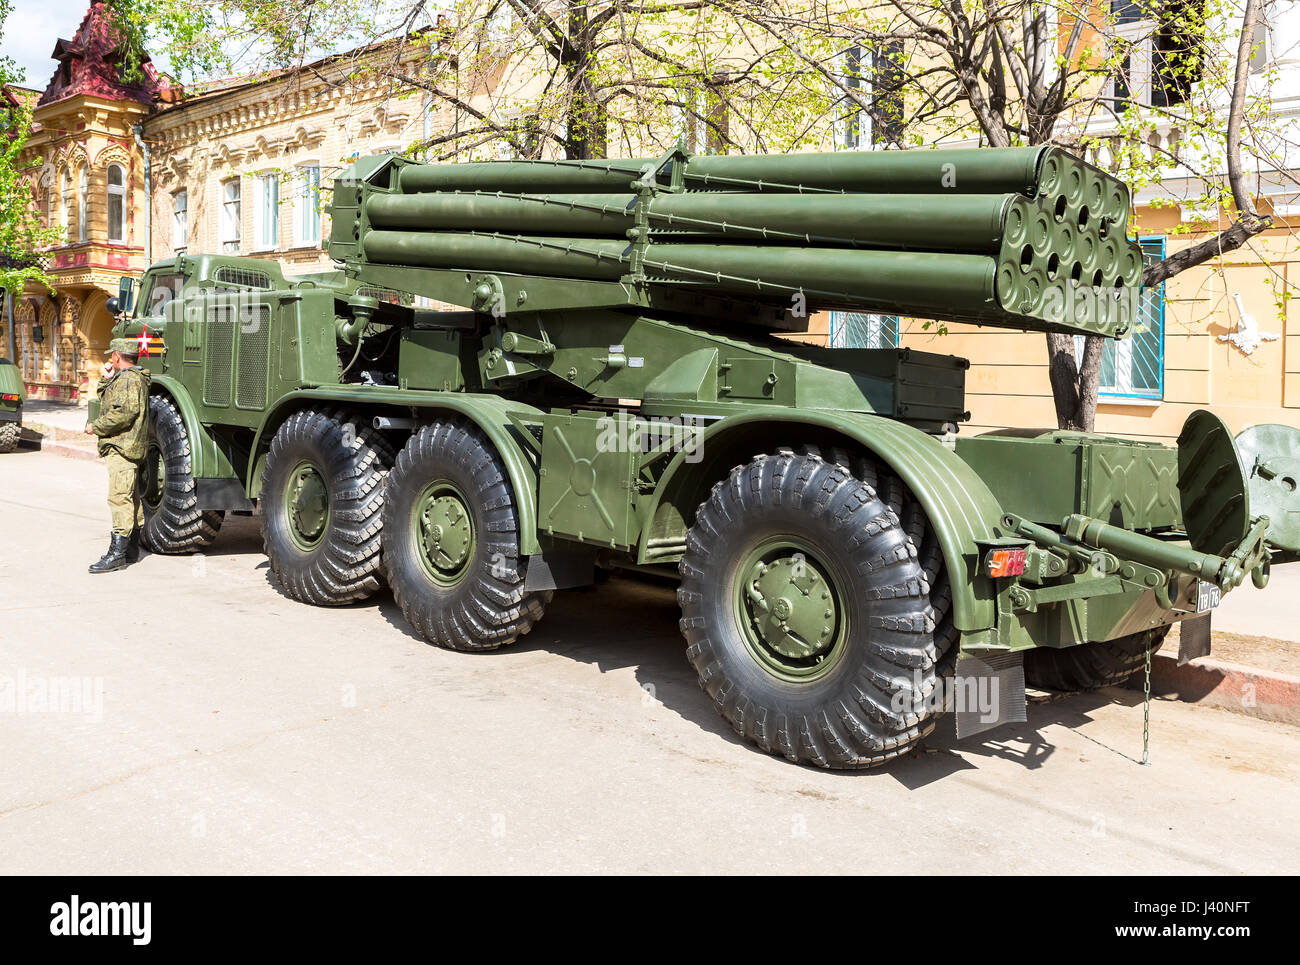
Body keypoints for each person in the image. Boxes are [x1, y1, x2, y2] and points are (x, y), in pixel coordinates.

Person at [84, 337, 152, 573]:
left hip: (123, 447)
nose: (110, 357)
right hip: (128, 446)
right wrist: (106, 378)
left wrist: (96, 426)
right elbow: (109, 400)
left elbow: (124, 414)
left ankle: (117, 554)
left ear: (117, 356)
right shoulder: (128, 378)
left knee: (119, 498)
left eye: (112, 354)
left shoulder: (130, 380)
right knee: (130, 497)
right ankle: (131, 549)